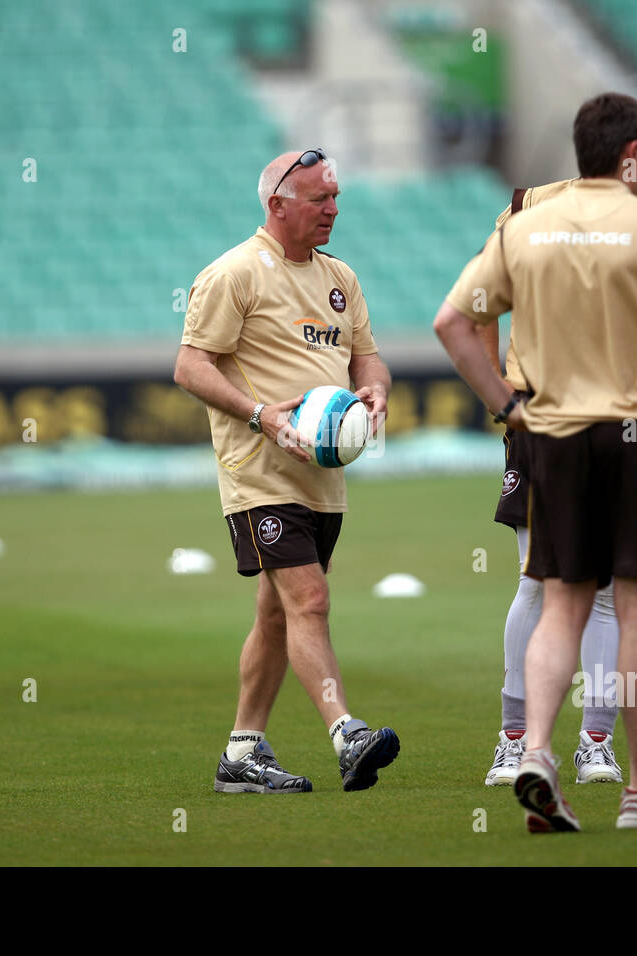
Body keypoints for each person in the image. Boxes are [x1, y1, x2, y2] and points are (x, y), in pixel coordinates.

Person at [434, 93, 637, 831]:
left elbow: (453, 321)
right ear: (631, 155)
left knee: (554, 598)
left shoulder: (526, 224)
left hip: (552, 436)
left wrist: (506, 405)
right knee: (634, 610)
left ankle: (532, 750)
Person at [173, 149, 399, 793]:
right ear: (277, 203)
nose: (332, 209)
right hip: (259, 471)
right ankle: (346, 734)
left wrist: (375, 391)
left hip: (322, 479)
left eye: (335, 198)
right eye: (318, 199)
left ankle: (242, 755)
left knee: (276, 615)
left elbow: (368, 360)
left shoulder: (340, 278)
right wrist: (260, 416)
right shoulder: (234, 274)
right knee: (310, 600)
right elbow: (190, 367)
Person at [478, 178, 637, 788]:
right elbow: (476, 307)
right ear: (635, 154)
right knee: (540, 583)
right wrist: (506, 399)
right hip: (549, 419)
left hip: (628, 423)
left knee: (601, 594)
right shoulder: (529, 205)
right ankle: (518, 740)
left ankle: (592, 742)